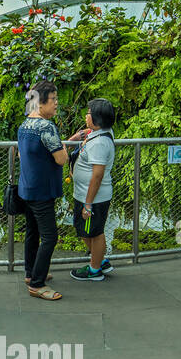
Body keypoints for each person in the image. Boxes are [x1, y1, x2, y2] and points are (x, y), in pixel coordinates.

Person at [14, 84, 70, 300]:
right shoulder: (46, 127)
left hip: (27, 188)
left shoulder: (24, 125)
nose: (56, 103)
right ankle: (37, 284)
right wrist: (64, 147)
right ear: (41, 102)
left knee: (32, 232)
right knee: (50, 236)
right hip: (43, 191)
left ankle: (31, 273)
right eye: (53, 99)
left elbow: (22, 155)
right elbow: (61, 159)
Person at [70, 98, 117, 282]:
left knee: (93, 233)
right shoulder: (101, 132)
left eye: (88, 113)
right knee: (87, 230)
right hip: (85, 195)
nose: (86, 115)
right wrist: (77, 136)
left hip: (92, 199)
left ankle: (94, 270)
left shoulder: (99, 144)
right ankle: (100, 261)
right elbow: (89, 132)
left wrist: (88, 205)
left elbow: (97, 176)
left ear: (97, 118)